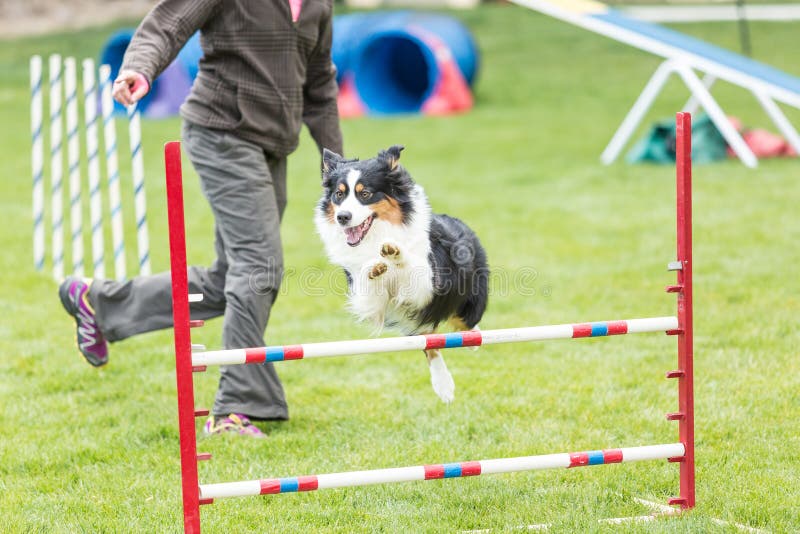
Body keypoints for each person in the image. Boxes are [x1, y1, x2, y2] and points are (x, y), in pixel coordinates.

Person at [58, 0, 343, 438]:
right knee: (258, 266)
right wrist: (139, 67)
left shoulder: (318, 7)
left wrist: (336, 167)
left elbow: (320, 84)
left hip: (272, 144)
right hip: (221, 132)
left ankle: (102, 303)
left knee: (231, 276)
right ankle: (234, 410)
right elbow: (169, 23)